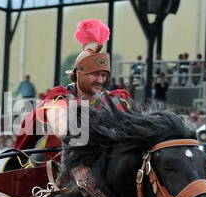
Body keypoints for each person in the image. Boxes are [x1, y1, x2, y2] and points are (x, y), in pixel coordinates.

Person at [12, 19, 132, 163]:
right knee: (46, 141)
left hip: (103, 166)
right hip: (52, 171)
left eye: (104, 75)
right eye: (95, 74)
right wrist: (77, 162)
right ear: (79, 74)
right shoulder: (60, 97)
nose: (101, 80)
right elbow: (60, 125)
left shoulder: (111, 101)